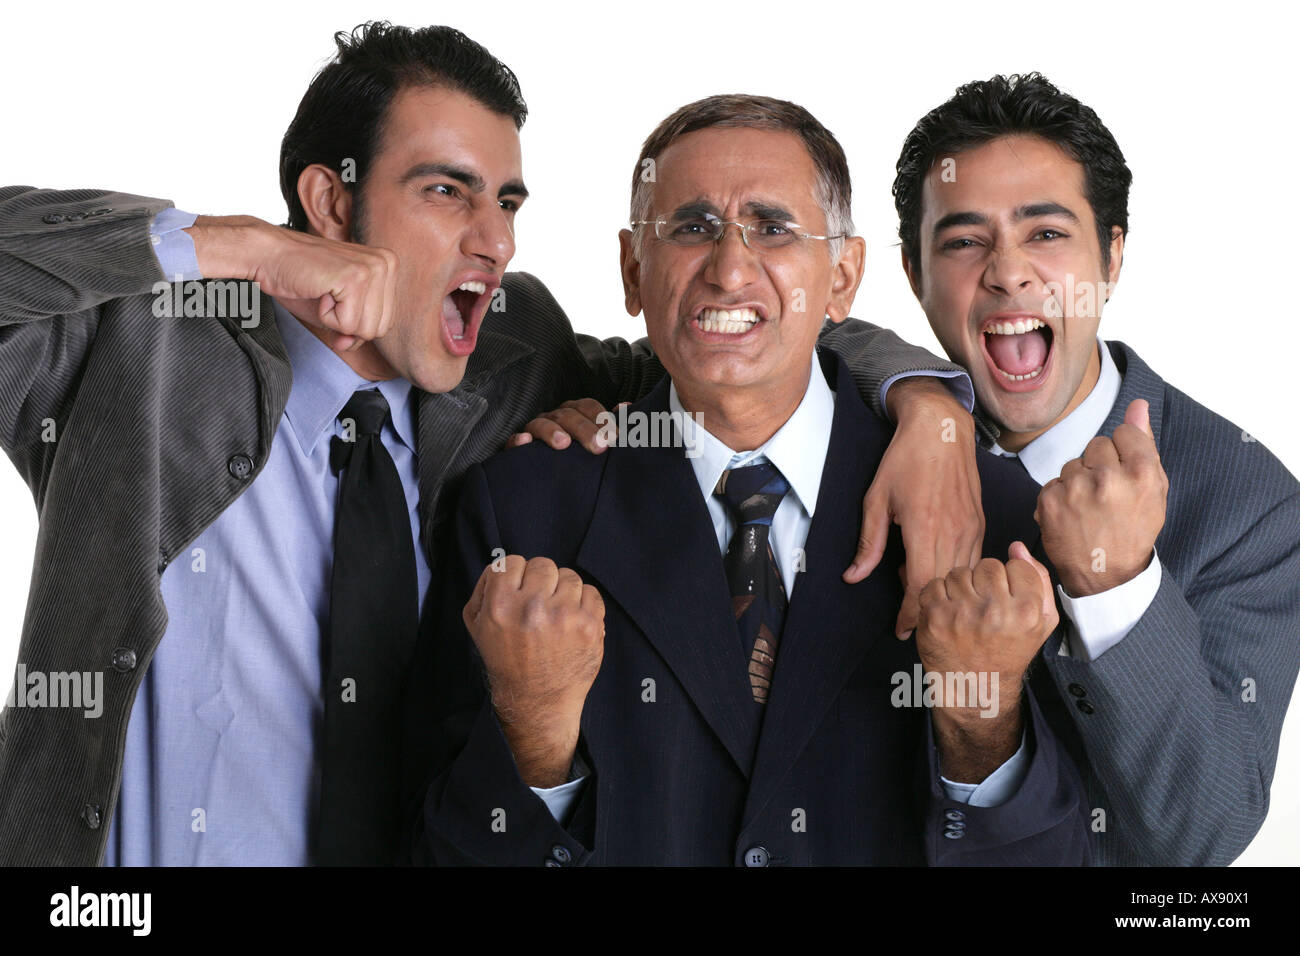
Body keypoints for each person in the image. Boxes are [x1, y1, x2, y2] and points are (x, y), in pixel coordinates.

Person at [0, 24, 983, 866]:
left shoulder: (512, 355)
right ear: (332, 205)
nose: (496, 241)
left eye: (506, 202)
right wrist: (245, 247)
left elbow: (726, 335)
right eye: (447, 192)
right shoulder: (133, 348)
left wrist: (926, 399)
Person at [412, 95, 1092, 865]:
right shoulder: (522, 508)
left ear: (842, 277)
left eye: (772, 229)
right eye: (692, 228)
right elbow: (436, 849)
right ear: (634, 270)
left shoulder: (996, 517)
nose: (730, 269)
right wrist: (534, 735)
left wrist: (984, 721)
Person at [892, 72, 1300, 865]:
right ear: (914, 275)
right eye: (964, 241)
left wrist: (1117, 586)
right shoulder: (882, 426)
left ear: (1111, 258)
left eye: (1046, 234)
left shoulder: (1254, 504)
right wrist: (908, 388)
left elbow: (1200, 834)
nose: (1008, 272)